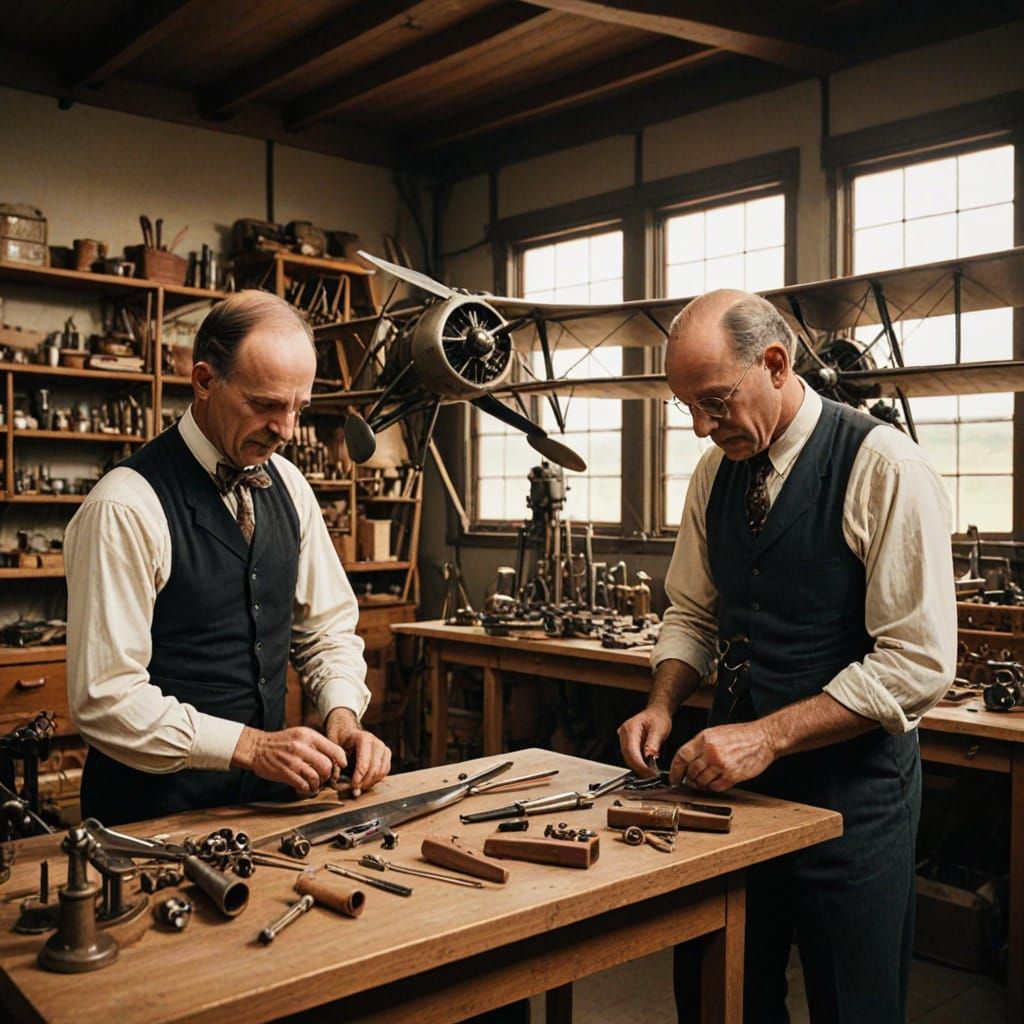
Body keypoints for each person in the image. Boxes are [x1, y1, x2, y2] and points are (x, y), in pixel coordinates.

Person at [617, 289, 956, 1023]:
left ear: (776, 363)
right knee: (722, 992)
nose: (704, 429)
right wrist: (662, 702)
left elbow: (918, 662)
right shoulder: (716, 475)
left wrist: (766, 735)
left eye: (715, 402)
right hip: (732, 798)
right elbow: (693, 611)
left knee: (852, 1002)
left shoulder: (884, 466)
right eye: (689, 409)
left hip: (853, 800)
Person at [65, 290, 390, 826]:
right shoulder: (124, 505)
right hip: (151, 820)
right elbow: (106, 698)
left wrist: (341, 712)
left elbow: (326, 630)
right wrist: (252, 747)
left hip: (267, 810)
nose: (285, 430)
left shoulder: (290, 485)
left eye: (298, 408)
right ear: (204, 381)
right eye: (265, 405)